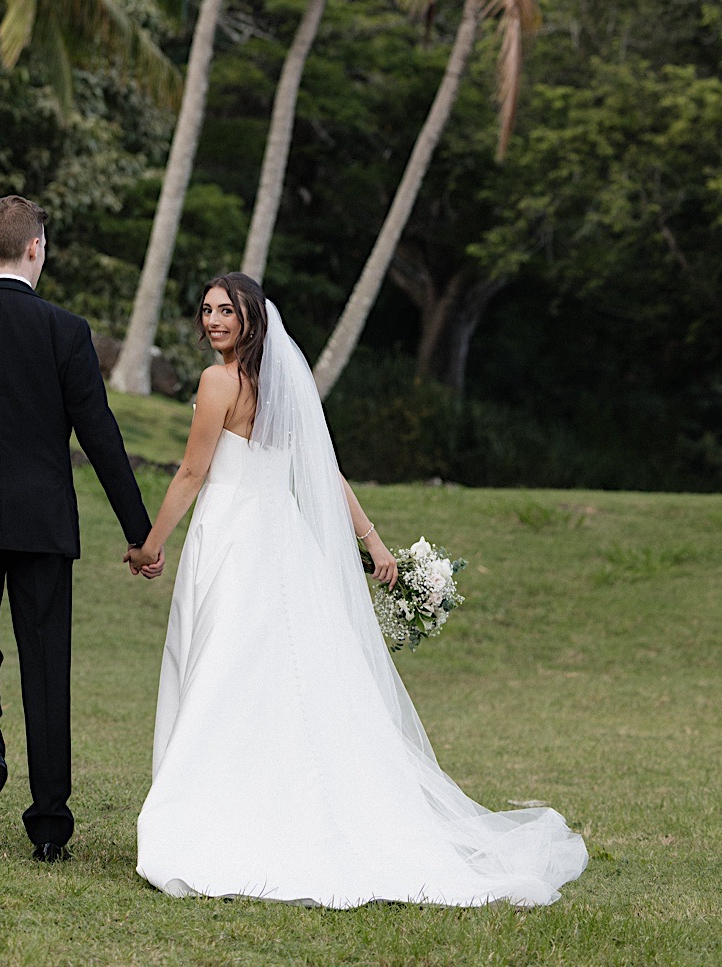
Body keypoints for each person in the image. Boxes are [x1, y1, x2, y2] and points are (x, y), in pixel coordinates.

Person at [131, 271, 589, 907]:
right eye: (207, 310)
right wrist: (372, 540)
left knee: (222, 665)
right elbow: (326, 472)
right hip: (282, 543)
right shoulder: (278, 388)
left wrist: (151, 543)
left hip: (233, 537)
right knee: (278, 672)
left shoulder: (218, 382)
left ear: (251, 317)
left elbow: (192, 471)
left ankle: (213, 812)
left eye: (226, 311)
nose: (213, 321)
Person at [0, 194, 158, 860]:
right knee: (47, 667)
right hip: (43, 526)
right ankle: (49, 828)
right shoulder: (65, 330)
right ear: (35, 248)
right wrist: (140, 532)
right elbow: (100, 435)